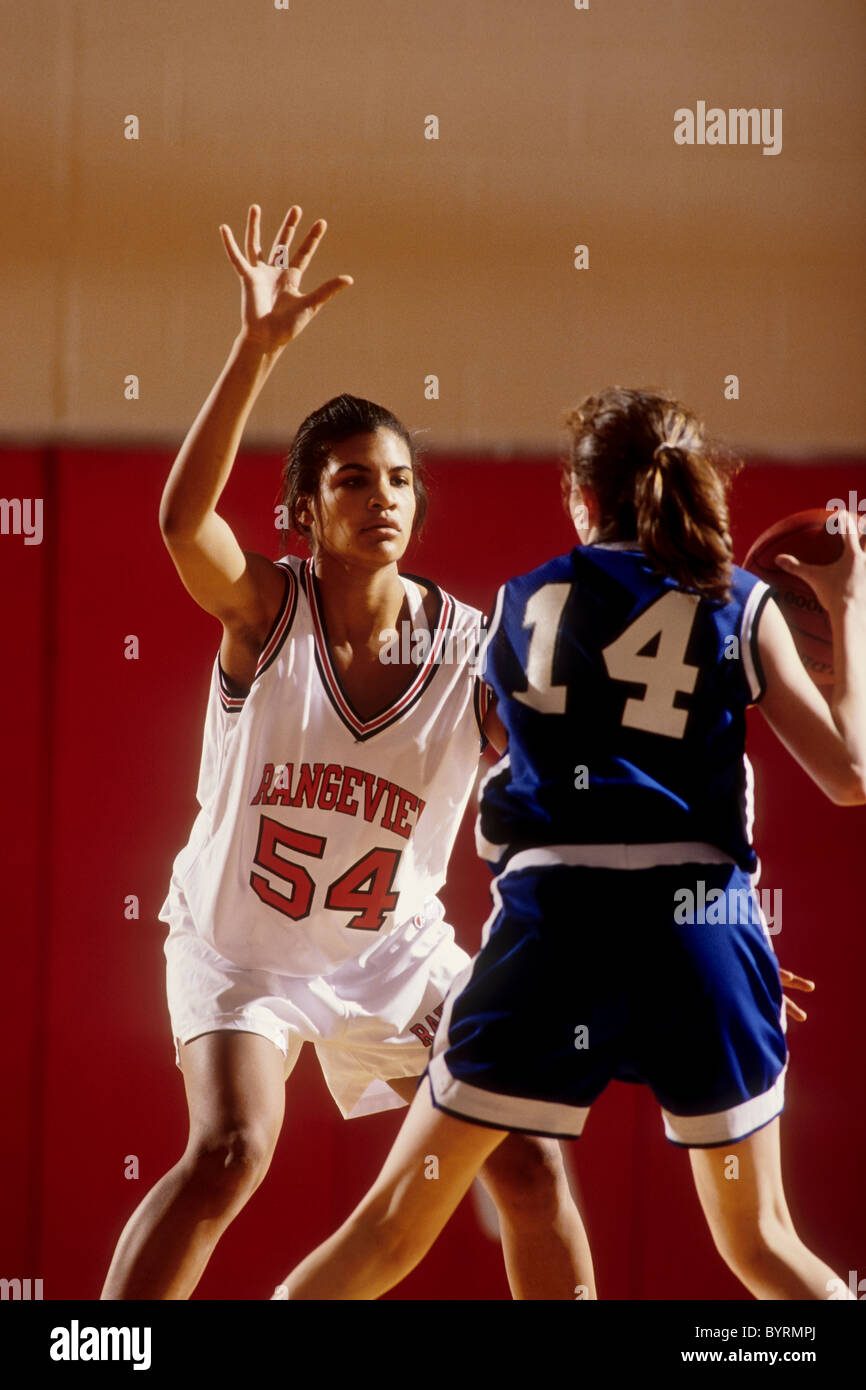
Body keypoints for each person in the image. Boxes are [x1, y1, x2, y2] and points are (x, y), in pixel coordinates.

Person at [100, 205, 595, 1300]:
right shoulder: (266, 610)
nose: (383, 497)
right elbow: (182, 525)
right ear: (304, 510)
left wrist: (700, 906)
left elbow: (578, 781)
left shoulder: (472, 651)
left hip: (391, 956)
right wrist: (255, 350)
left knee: (527, 1160)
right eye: (353, 479)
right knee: (229, 1153)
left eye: (399, 479)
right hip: (242, 947)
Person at [276, 387, 865, 1301]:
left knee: (387, 1230)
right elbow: (850, 775)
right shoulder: (738, 601)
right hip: (702, 932)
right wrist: (849, 608)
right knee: (762, 1244)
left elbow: (542, 767)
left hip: (551, 934)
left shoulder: (520, 602)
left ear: (581, 497)